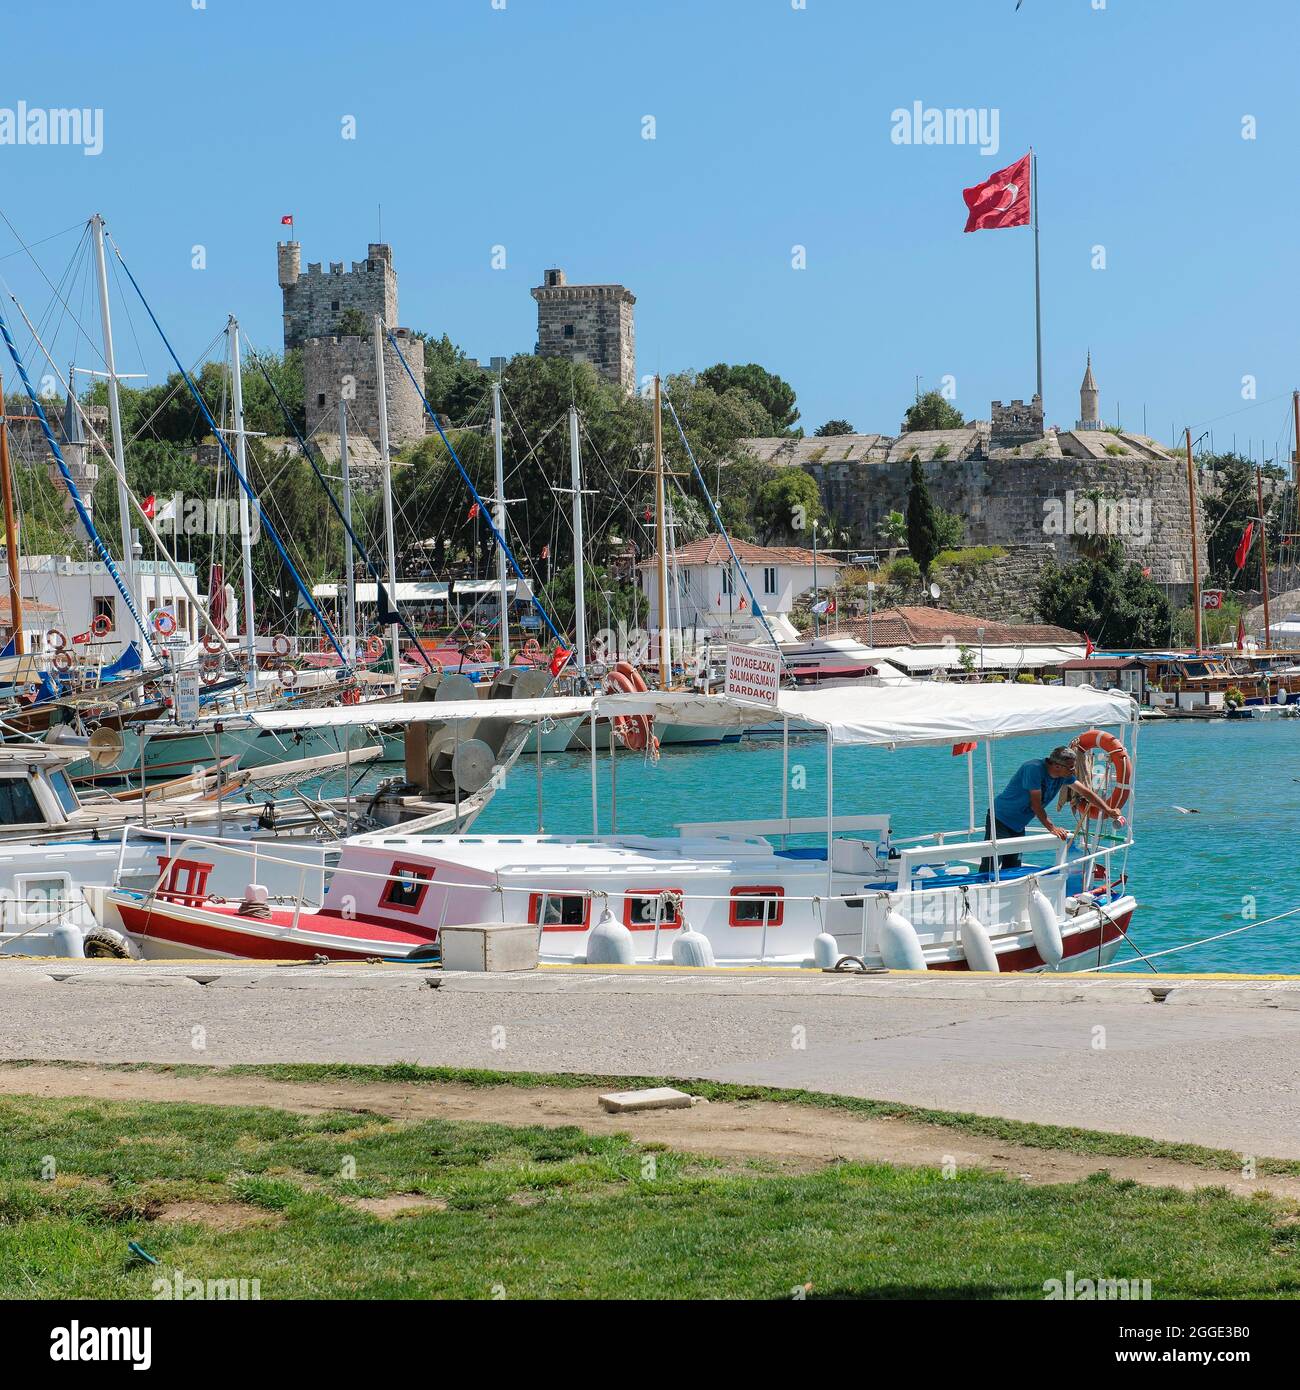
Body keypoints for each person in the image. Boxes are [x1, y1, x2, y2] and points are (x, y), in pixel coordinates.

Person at [979, 745, 1126, 874]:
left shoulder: (1064, 775)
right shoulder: (1033, 769)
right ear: (1056, 766)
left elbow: (1086, 793)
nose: (1073, 770)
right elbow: (1035, 805)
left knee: (1013, 865)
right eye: (1070, 767)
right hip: (1001, 818)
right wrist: (1052, 828)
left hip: (1018, 823)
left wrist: (1108, 810)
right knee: (991, 863)